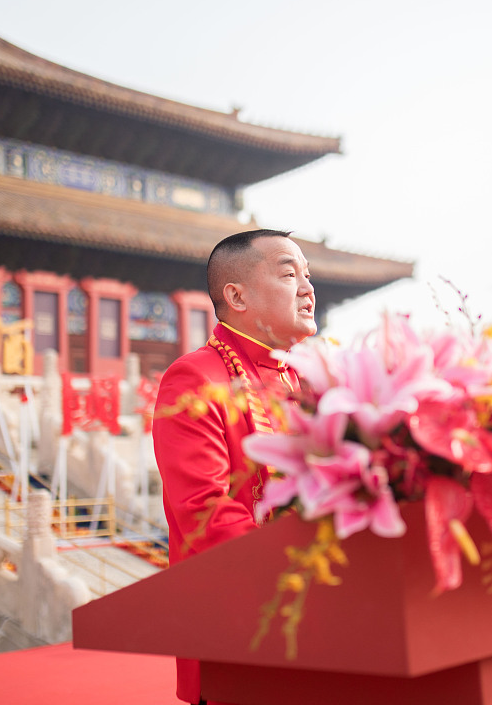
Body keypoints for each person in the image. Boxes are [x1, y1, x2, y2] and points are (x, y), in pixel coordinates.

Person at [153, 228, 316, 705]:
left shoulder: (309, 379)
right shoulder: (195, 378)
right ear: (236, 295)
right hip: (245, 623)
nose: (308, 289)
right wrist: (300, 574)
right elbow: (203, 509)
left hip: (326, 620)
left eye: (308, 275)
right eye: (289, 274)